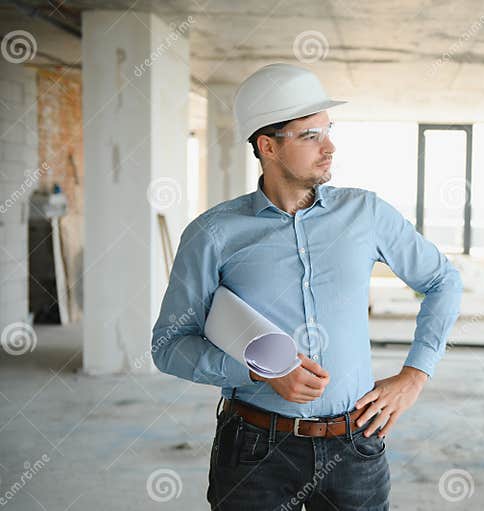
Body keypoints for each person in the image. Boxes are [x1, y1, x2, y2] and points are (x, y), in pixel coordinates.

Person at [151, 62, 463, 511]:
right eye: (310, 135)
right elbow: (168, 346)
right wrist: (259, 371)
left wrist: (415, 374)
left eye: (328, 130)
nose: (330, 147)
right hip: (254, 449)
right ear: (267, 146)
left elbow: (443, 280)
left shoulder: (366, 214)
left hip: (355, 445)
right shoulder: (214, 234)